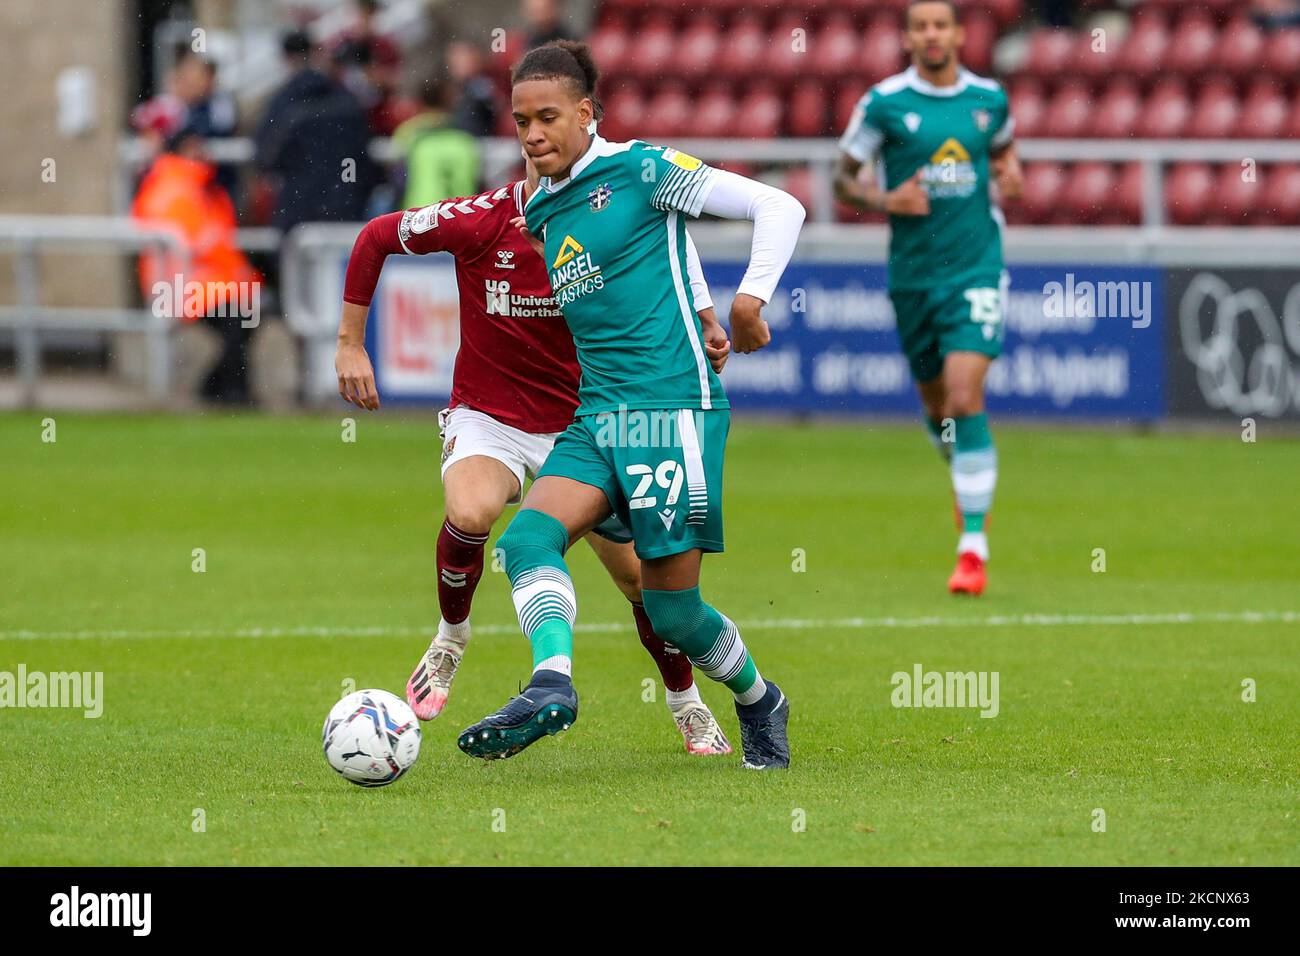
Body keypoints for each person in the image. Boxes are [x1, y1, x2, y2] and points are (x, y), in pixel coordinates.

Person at [456, 41, 805, 769]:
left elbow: (780, 204)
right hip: (597, 416)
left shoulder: (643, 168)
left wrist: (746, 302)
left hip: (671, 414)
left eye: (547, 117)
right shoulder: (544, 207)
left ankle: (759, 699)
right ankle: (551, 683)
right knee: (524, 542)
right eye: (521, 121)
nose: (531, 134)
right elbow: (659, 251)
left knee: (674, 611)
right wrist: (704, 307)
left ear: (586, 113)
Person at [335, 161, 734, 756]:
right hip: (489, 417)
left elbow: (669, 252)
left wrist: (702, 321)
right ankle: (450, 640)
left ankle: (686, 702)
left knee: (641, 585)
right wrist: (348, 343)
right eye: (528, 133)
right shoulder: (478, 222)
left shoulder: (605, 231)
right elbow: (375, 236)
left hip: (585, 426)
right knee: (471, 512)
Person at [833, 0, 1023, 597]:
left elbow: (1003, 155)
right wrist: (887, 200)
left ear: (960, 34)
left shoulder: (989, 100)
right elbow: (842, 178)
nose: (932, 34)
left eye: (941, 24)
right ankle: (967, 471)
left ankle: (972, 548)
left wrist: (1012, 174)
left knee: (966, 398)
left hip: (976, 270)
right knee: (939, 408)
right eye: (921, 26)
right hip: (913, 278)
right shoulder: (885, 103)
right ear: (908, 38)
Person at [132, 125, 261, 405]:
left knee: (247, 315)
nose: (200, 154)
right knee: (237, 319)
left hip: (207, 282)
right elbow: (195, 244)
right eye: (191, 148)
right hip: (179, 285)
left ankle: (218, 386)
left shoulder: (205, 189)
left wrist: (242, 275)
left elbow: (219, 243)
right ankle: (232, 391)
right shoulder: (170, 189)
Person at [253, 29, 380, 232]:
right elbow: (364, 157)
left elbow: (265, 156)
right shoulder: (347, 100)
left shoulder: (283, 102)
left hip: (298, 209)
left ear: (285, 58)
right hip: (345, 206)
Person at [390, 77, 481, 208]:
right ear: (450, 101)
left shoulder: (408, 132)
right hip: (461, 215)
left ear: (419, 101)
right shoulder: (465, 139)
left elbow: (398, 179)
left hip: (419, 216)